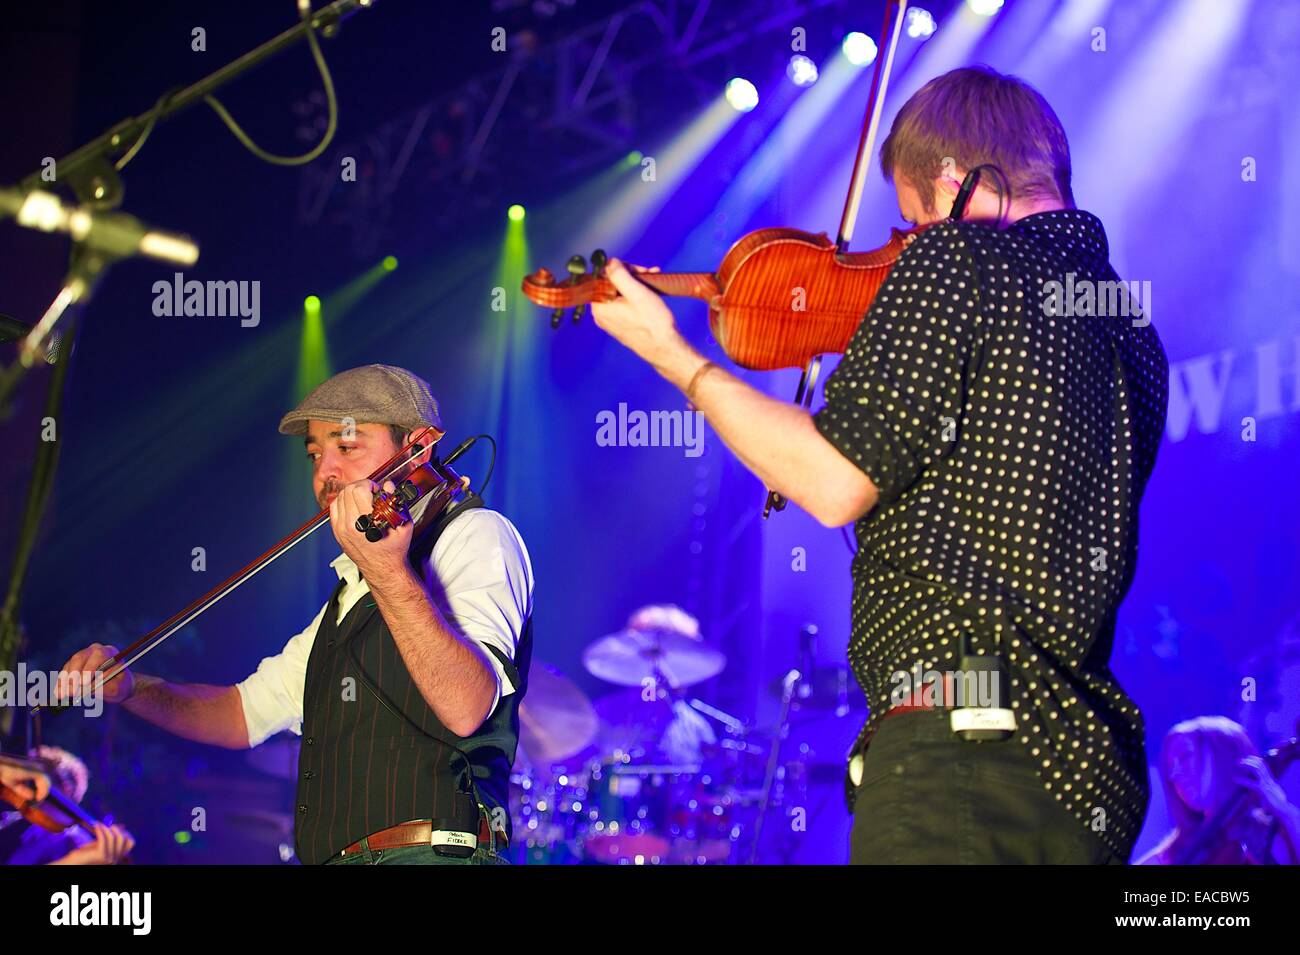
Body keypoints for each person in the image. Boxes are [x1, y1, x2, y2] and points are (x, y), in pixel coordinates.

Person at [589, 65, 1167, 863]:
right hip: (1081, 772)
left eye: (914, 219)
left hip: (961, 751)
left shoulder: (957, 260)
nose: (908, 245)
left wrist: (674, 357)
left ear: (955, 181)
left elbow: (832, 482)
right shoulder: (1128, 329)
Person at [57, 365, 534, 865]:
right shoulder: (350, 597)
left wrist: (385, 570)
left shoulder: (475, 534)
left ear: (417, 448)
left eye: (346, 447)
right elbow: (240, 715)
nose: (326, 473)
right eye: (315, 455)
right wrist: (134, 689)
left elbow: (466, 706)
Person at [1137, 716, 1300, 865]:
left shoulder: (1272, 836)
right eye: (1171, 764)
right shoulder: (1176, 850)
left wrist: (1285, 811)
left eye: (1185, 756)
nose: (1174, 774)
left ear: (1222, 757)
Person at [0, 746, 135, 865]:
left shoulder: (69, 843)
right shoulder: (13, 814)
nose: (25, 791)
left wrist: (76, 860)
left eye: (32, 784)